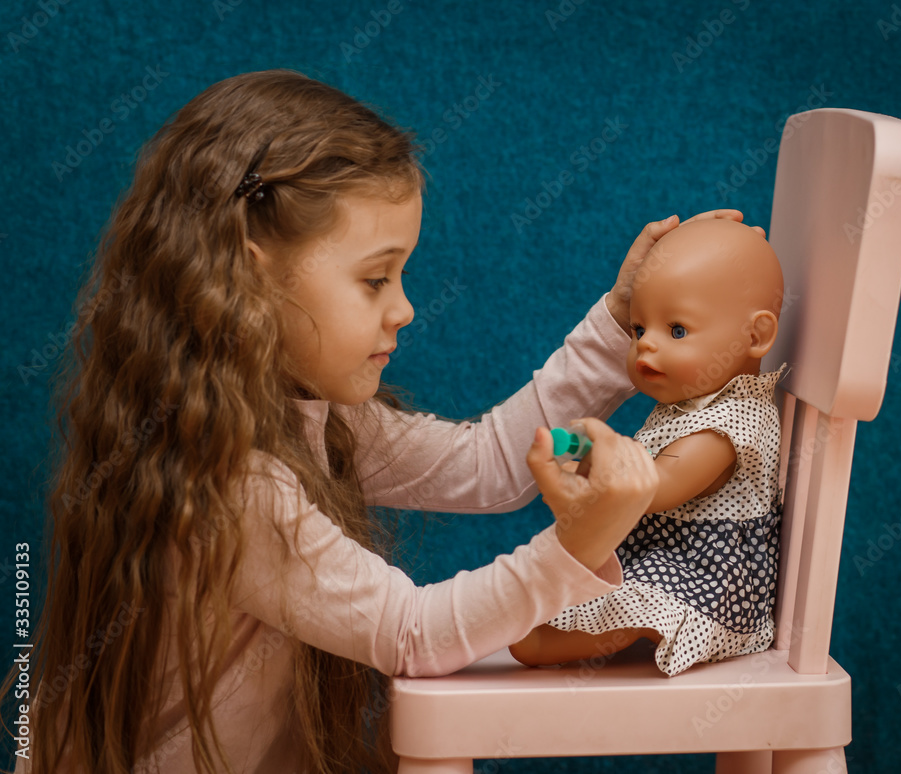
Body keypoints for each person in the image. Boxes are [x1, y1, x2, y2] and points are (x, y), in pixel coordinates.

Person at [0, 69, 757, 774]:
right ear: (252, 274)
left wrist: (618, 320)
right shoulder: (233, 482)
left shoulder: (309, 422)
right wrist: (579, 542)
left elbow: (487, 464)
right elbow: (413, 634)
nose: (404, 308)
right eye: (374, 279)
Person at [510, 218, 786, 677]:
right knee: (601, 578)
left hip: (706, 577)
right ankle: (554, 620)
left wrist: (593, 455)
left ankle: (559, 638)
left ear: (755, 337)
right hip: (664, 552)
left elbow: (659, 485)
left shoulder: (732, 421)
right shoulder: (692, 403)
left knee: (645, 596)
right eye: (639, 329)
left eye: (676, 331)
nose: (645, 347)